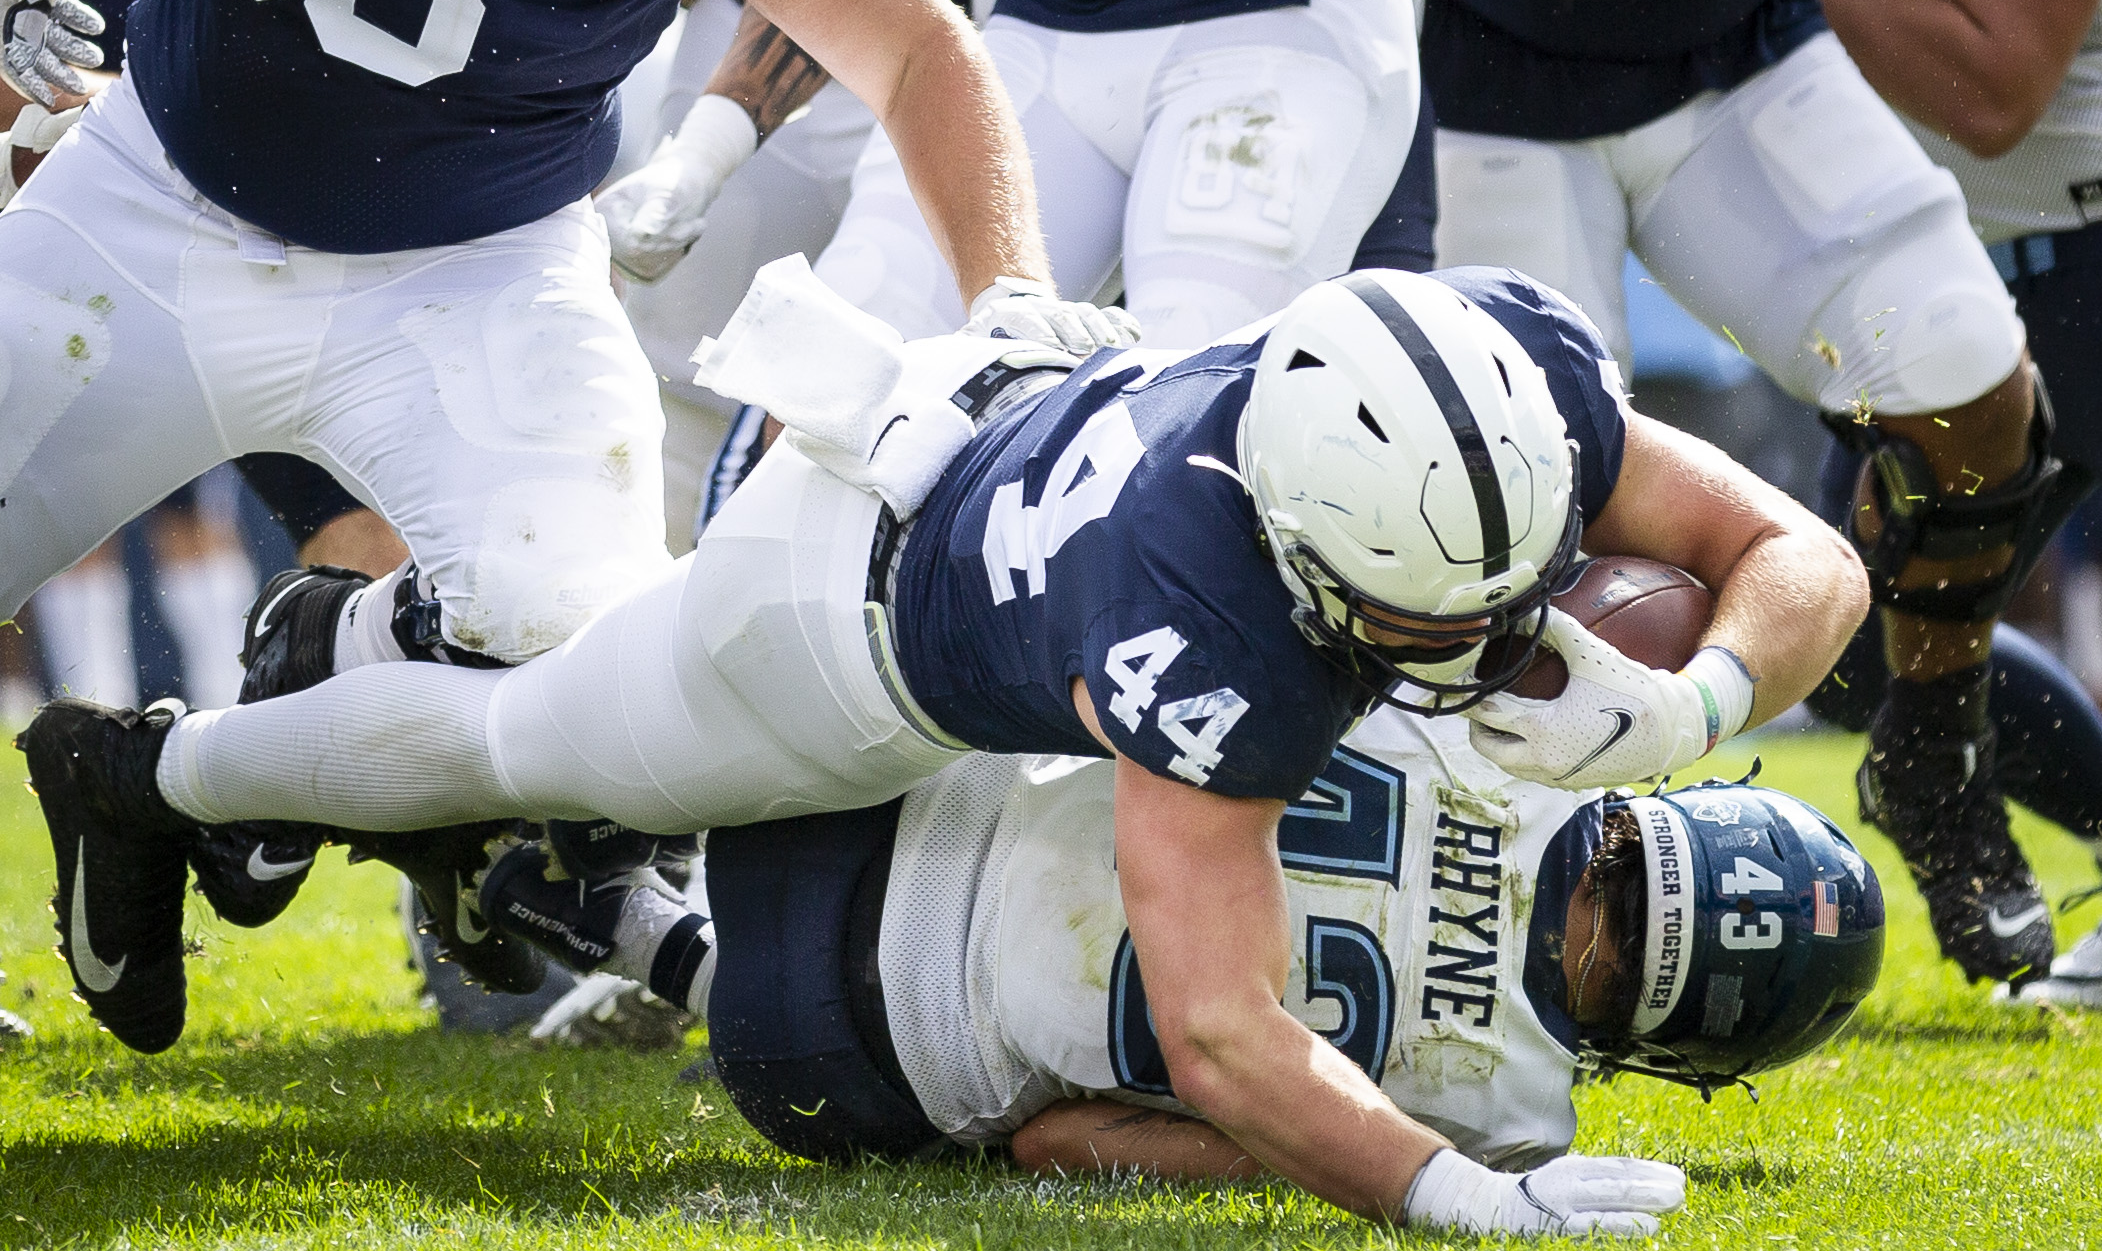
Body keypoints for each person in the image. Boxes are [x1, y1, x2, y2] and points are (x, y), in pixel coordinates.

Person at [27, 263, 1867, 1227]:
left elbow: (1804, 556)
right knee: (522, 734)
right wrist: (1444, 1183)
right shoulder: (1207, 618)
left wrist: (1696, 698)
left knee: (611, 752)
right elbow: (1214, 1036)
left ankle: (549, 858)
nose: (1479, 647)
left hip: (940, 436)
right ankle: (153, 771)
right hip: (829, 625)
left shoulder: (1486, 386)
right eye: (1417, 621)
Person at [0, 0, 1087, 1030]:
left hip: (475, 262)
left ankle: (241, 719)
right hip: (157, 195)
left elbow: (912, 44)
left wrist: (1012, 295)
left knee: (575, 659)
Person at [1416, 0, 2077, 986]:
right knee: (1502, 513)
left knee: (1965, 367)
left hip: (1733, 49)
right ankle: (1505, 922)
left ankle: (1933, 742)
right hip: (1461, 65)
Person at [471, 731, 1883, 1237]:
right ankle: (636, 934)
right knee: (970, 1068)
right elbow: (1060, 1140)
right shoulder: (1512, 1122)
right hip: (825, 1047)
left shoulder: (1503, 725)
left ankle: (513, 772)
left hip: (883, 782)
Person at [610, 0, 1423, 350]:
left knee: (1180, 418)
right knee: (830, 388)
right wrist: (704, 150)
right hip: (1051, 25)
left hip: (1273, 18)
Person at [1794, 0, 2102, 1001]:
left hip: (2070, 259)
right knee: (1843, 627)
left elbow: (1989, 94)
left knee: (1875, 610)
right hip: (1958, 269)